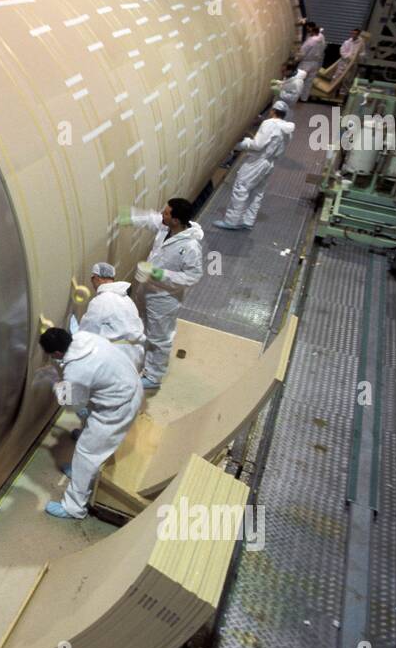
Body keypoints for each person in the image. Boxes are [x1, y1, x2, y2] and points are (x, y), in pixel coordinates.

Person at [39, 327, 142, 520]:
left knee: (86, 454)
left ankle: (74, 508)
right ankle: (88, 455)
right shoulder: (86, 337)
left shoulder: (76, 371)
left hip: (118, 407)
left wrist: (55, 382)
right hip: (128, 385)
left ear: (57, 353)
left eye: (51, 356)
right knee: (89, 421)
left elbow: (71, 404)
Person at [123, 198, 205, 390]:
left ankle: (153, 376)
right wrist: (130, 217)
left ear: (176, 220)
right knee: (141, 323)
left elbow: (193, 276)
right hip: (147, 288)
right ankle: (140, 358)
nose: (162, 215)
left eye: (166, 213)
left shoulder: (190, 247)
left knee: (160, 337)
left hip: (165, 297)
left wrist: (161, 274)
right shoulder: (165, 228)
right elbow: (151, 219)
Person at [214, 100, 296, 232]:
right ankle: (248, 220)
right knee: (257, 192)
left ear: (273, 111)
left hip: (257, 162)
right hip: (270, 163)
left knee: (241, 188)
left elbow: (258, 145)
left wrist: (243, 143)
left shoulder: (269, 123)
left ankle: (232, 221)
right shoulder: (287, 129)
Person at [79, 261, 146, 372]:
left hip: (117, 357)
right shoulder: (127, 299)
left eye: (92, 279)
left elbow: (88, 332)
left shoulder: (100, 301)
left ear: (97, 278)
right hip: (135, 353)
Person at [296, 21, 325, 102]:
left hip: (306, 63)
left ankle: (295, 97)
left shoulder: (310, 41)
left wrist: (296, 58)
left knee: (299, 80)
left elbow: (302, 53)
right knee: (308, 82)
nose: (308, 30)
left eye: (309, 29)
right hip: (316, 63)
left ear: (312, 30)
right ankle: (304, 98)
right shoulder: (322, 38)